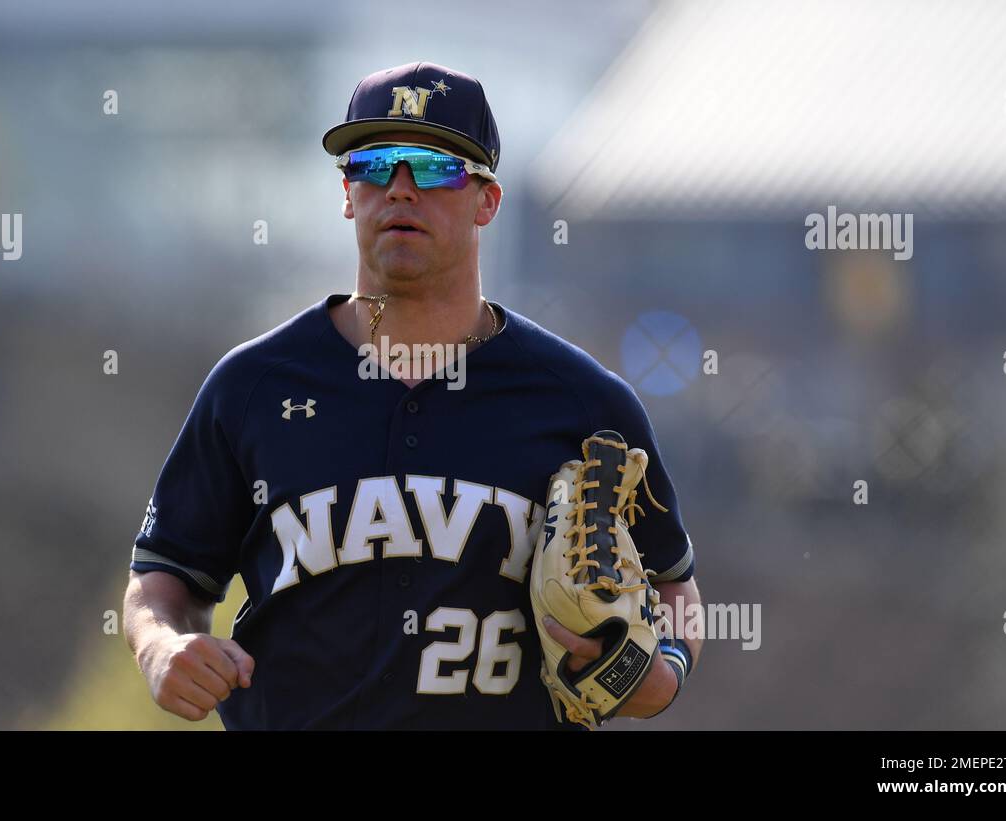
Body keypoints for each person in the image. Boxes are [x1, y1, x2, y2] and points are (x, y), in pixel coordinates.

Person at [123, 61, 702, 729]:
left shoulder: (583, 404)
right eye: (374, 164)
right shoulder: (253, 387)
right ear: (348, 192)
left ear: (487, 199)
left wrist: (657, 673)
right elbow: (163, 576)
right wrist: (162, 646)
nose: (400, 190)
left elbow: (675, 583)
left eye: (435, 168)